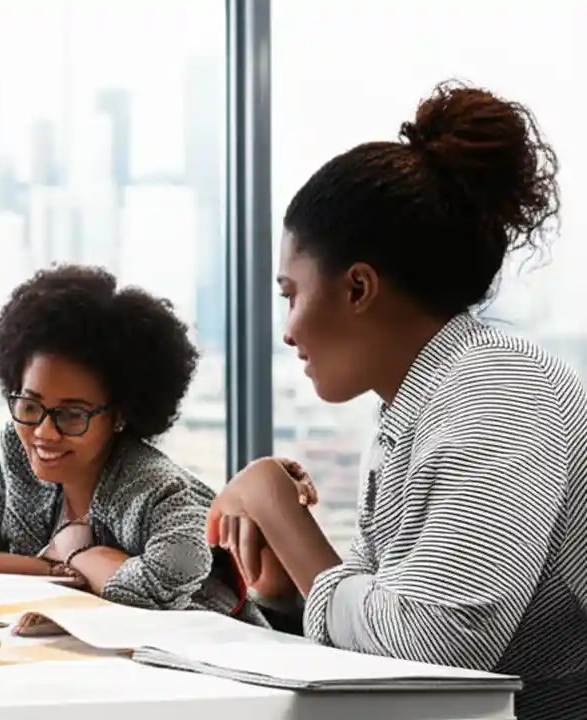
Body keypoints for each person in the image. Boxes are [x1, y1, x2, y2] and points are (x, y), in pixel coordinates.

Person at [208, 82, 587, 719]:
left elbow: (441, 647)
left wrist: (282, 513)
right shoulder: (418, 402)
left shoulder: (500, 389)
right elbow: (383, 623)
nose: (288, 330)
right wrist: (287, 593)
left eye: (290, 293)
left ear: (358, 287)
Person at [0, 265, 264, 623]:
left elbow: (159, 589)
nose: (44, 432)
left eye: (72, 415)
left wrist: (78, 554)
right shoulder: (20, 459)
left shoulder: (157, 487)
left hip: (219, 663)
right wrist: (53, 568)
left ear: (119, 414)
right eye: (30, 405)